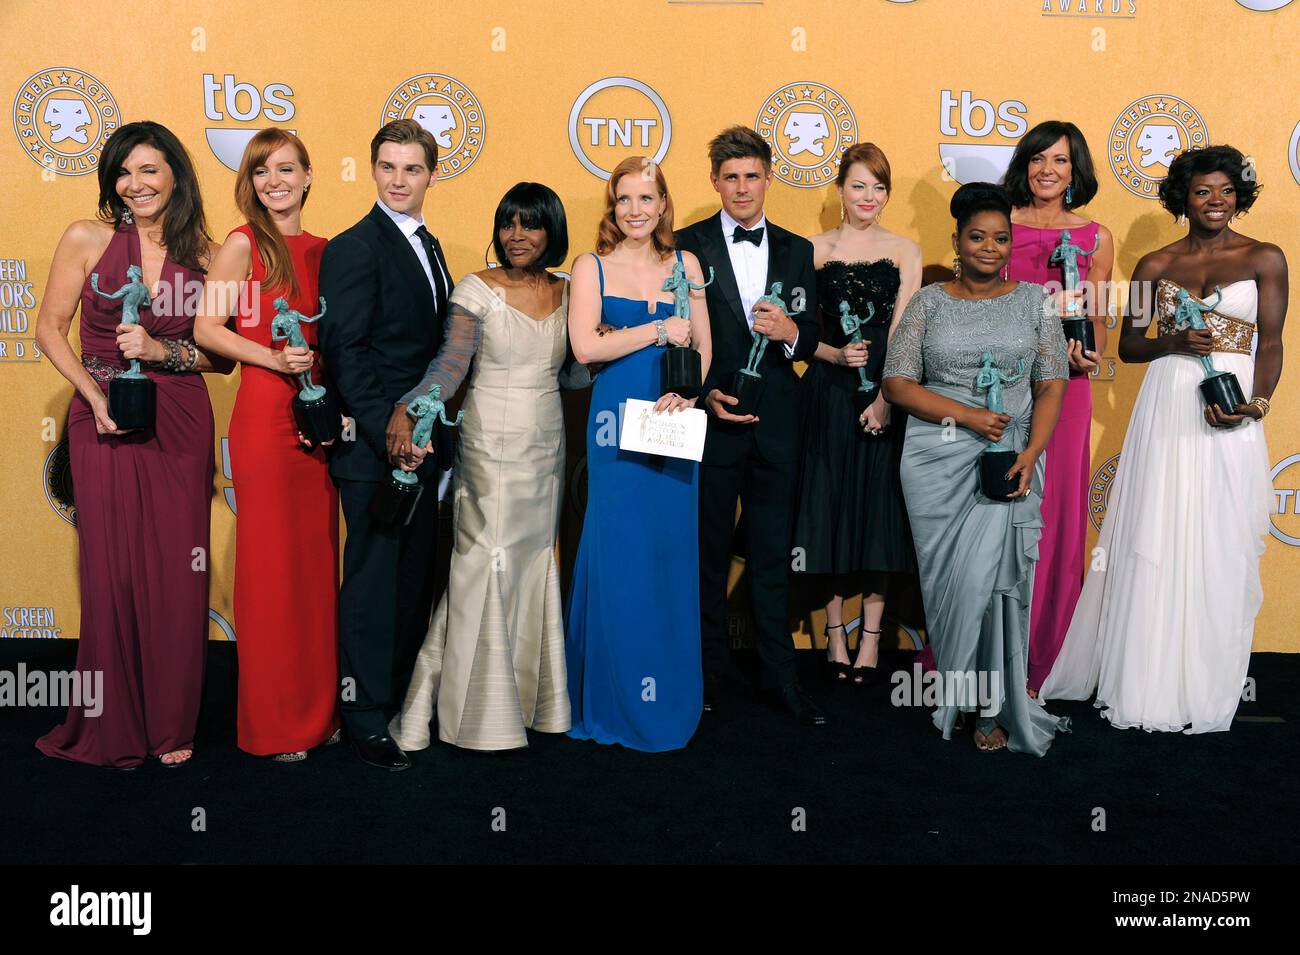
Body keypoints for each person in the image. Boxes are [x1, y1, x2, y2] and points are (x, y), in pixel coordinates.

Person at [1041, 146, 1286, 733]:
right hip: (1169, 403)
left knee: (1220, 537)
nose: (1216, 202)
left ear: (1240, 196)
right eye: (1204, 192)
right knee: (1159, 530)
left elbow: (1271, 343)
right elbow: (1128, 347)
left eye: (1227, 191)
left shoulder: (1265, 258)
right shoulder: (1155, 264)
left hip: (1232, 406)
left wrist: (1256, 405)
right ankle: (1146, 679)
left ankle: (1205, 681)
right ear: (1184, 197)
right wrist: (1173, 343)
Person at [33, 121, 232, 769]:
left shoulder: (207, 253)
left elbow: (218, 357)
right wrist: (92, 399)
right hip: (102, 415)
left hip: (178, 417)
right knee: (112, 569)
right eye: (123, 172)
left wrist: (161, 349)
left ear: (176, 174)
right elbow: (49, 329)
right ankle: (112, 720)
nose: (135, 184)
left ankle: (170, 723)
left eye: (149, 170)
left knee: (178, 571)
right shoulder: (86, 238)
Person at [882, 182, 1071, 755]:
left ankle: (992, 706)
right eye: (977, 236)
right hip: (936, 458)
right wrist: (965, 415)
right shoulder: (929, 301)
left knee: (996, 587)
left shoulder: (1036, 300)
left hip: (1008, 456)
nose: (989, 247)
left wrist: (1030, 455)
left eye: (1000, 238)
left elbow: (1051, 383)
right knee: (953, 585)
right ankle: (959, 694)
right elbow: (896, 382)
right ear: (957, 241)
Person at [389, 183, 576, 752]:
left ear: (552, 232)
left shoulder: (571, 291)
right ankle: (468, 711)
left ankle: (525, 704)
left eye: (530, 225)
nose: (517, 236)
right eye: (508, 224)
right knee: (484, 560)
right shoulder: (476, 288)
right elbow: (450, 365)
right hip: (489, 440)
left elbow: (576, 372)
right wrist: (412, 407)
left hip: (547, 441)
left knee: (531, 561)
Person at [193, 128, 341, 762]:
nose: (274, 181)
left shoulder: (330, 251)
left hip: (318, 423)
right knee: (271, 570)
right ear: (249, 183)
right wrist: (275, 359)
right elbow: (206, 327)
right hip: (263, 419)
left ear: (309, 176)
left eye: (286, 169)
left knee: (313, 568)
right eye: (261, 172)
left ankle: (319, 712)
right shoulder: (242, 243)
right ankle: (276, 723)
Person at [674, 126, 825, 724]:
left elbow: (812, 334)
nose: (741, 187)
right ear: (714, 181)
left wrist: (791, 335)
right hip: (709, 423)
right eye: (730, 177)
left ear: (769, 178)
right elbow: (677, 337)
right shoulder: (684, 246)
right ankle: (705, 679)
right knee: (706, 556)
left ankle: (780, 679)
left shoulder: (796, 250)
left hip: (777, 427)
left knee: (770, 558)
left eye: (752, 176)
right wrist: (702, 392)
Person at [565, 157, 712, 752]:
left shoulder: (688, 265)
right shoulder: (591, 266)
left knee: (667, 554)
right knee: (618, 551)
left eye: (646, 199)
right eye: (624, 199)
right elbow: (583, 347)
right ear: (612, 205)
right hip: (613, 422)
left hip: (673, 423)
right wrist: (655, 332)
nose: (635, 210)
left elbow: (705, 346)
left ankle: (666, 696)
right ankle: (612, 698)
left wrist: (692, 387)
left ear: (662, 205)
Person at [318, 119, 452, 771]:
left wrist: (422, 435)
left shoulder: (430, 245)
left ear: (431, 172)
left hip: (425, 449)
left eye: (413, 169)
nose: (399, 180)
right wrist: (388, 430)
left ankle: (397, 698)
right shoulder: (355, 247)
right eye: (388, 167)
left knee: (410, 580)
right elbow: (345, 351)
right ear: (372, 170)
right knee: (372, 584)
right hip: (377, 450)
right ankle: (363, 712)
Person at [792, 142, 921, 686]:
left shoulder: (904, 251)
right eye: (859, 185)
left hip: (885, 390)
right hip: (826, 392)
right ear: (840, 190)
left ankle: (871, 636)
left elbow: (906, 333)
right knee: (829, 511)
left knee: (878, 515)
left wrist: (886, 398)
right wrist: (833, 354)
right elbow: (798, 335)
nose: (869, 197)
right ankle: (834, 633)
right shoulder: (813, 249)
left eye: (879, 187)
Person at [1000, 120, 1115, 697]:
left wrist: (1086, 354)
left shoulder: (1097, 236)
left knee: (1057, 516)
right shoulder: (1000, 226)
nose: (1049, 169)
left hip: (1067, 388)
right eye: (1039, 157)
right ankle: (990, 651)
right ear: (1024, 163)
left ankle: (1047, 656)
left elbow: (1092, 326)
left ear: (1077, 170)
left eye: (1062, 160)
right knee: (996, 510)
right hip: (1001, 385)